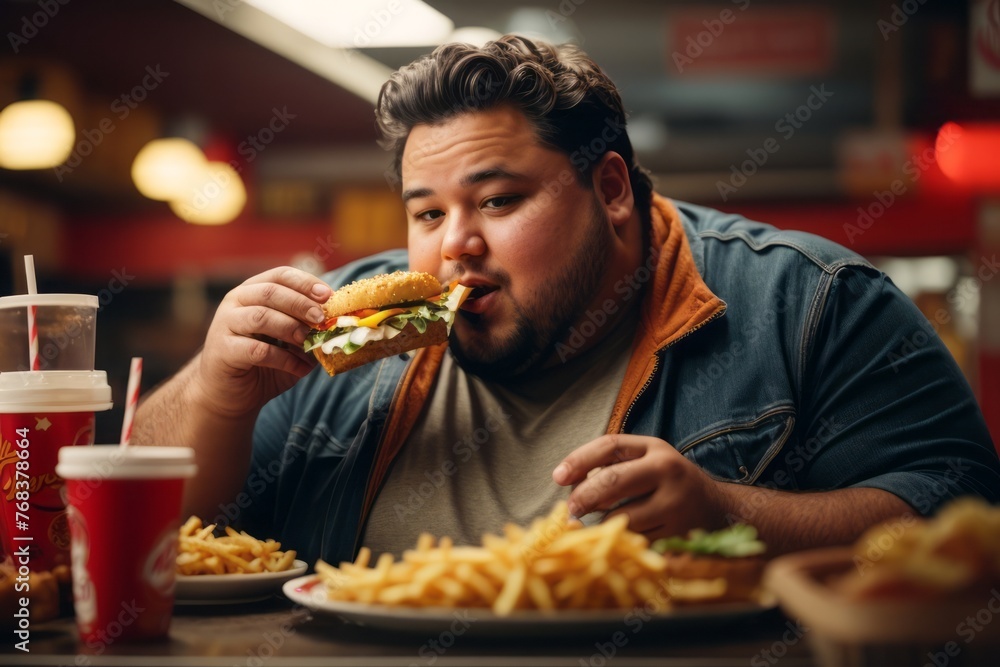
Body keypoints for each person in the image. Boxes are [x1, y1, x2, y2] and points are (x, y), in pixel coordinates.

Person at [134, 35, 1000, 565]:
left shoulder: (813, 305)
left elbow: (965, 512)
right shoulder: (348, 321)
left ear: (611, 188)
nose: (453, 245)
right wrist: (215, 389)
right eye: (427, 212)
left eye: (498, 200)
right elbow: (140, 529)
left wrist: (735, 515)